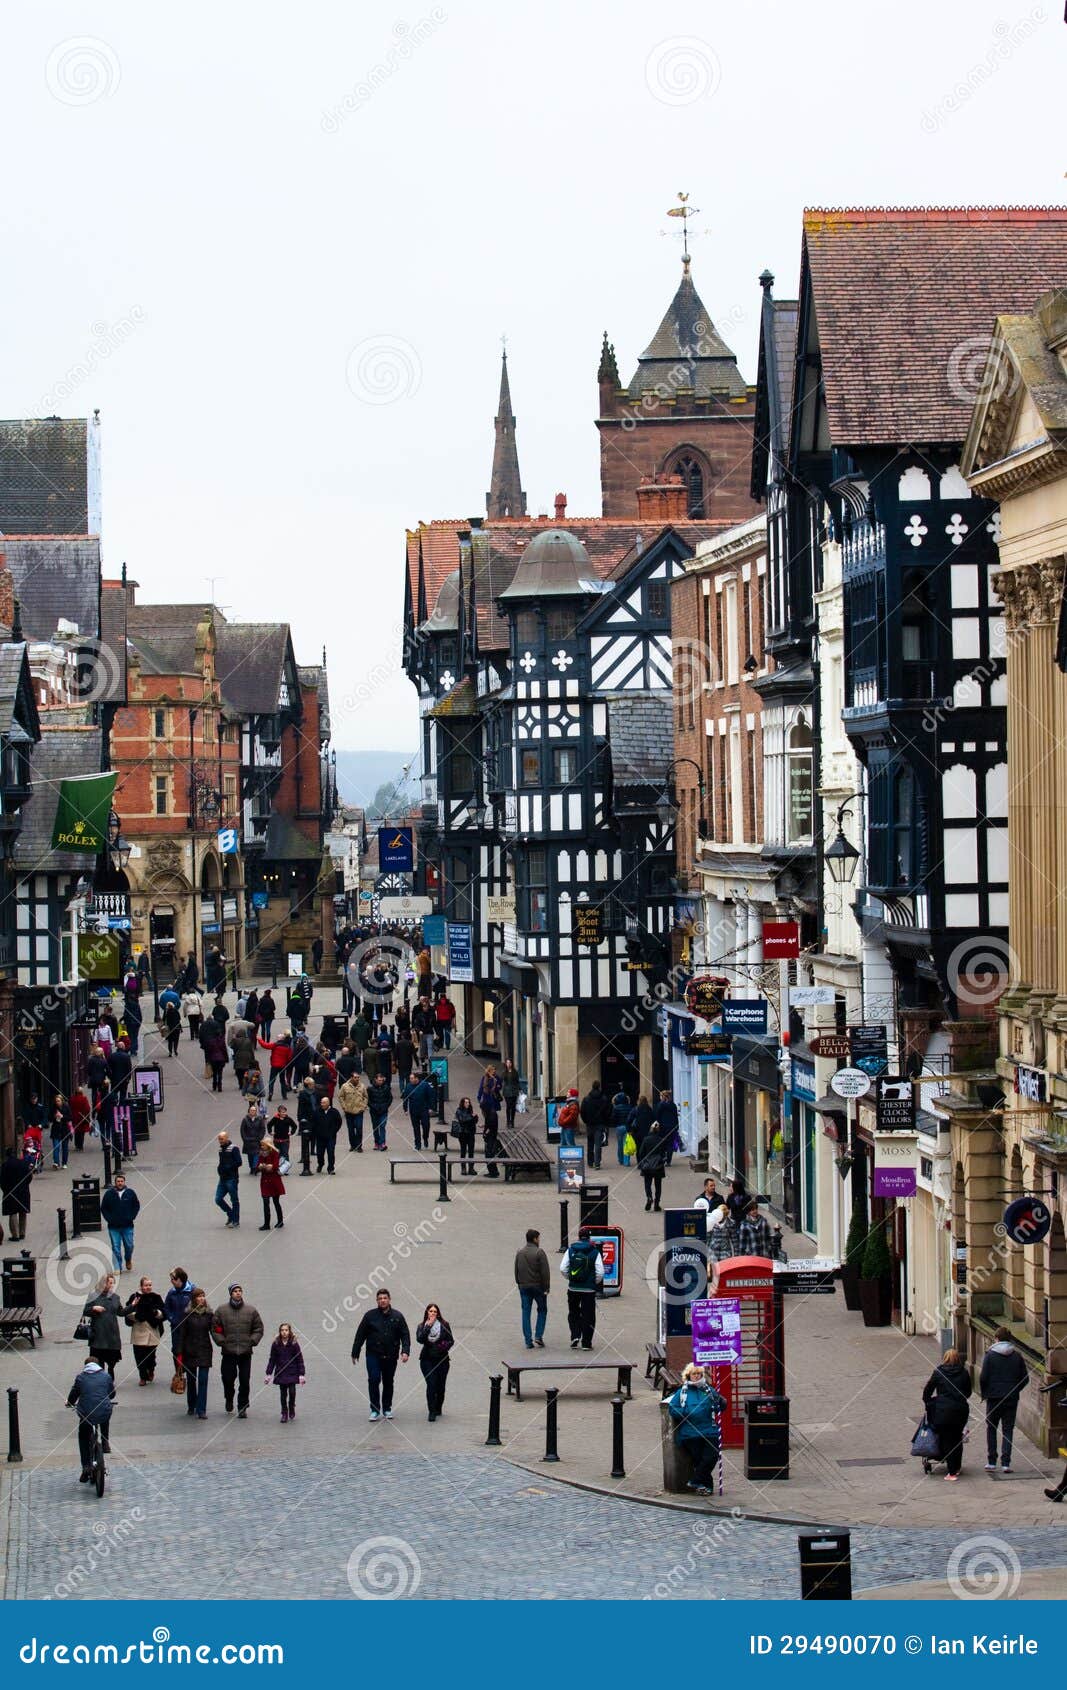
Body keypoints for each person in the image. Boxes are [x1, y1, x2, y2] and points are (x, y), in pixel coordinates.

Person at [666, 1363, 726, 1495]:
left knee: (711, 1457)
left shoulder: (708, 1390)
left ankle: (695, 1480)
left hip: (709, 1430)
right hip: (691, 1433)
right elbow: (673, 1409)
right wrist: (686, 1412)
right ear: (688, 1375)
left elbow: (718, 1407)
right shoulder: (682, 1392)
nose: (697, 1376)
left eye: (699, 1373)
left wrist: (722, 1403)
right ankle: (706, 1487)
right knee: (699, 1460)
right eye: (694, 1374)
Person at [351, 1288, 410, 1421]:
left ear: (389, 1299)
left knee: (388, 1382)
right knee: (374, 1379)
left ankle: (387, 1408)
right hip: (373, 1355)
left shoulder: (398, 1316)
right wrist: (355, 1352)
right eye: (380, 1299)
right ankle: (375, 1410)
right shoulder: (369, 1316)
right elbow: (360, 1335)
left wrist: (405, 1351)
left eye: (385, 1298)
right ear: (377, 1301)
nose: (382, 1300)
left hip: (391, 1355)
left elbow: (405, 1335)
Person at [980, 1327, 1029, 1473]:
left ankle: (992, 1461)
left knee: (991, 1428)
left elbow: (983, 1377)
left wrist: (986, 1393)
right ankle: (1006, 1463)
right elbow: (1025, 1378)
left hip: (994, 1398)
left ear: (996, 1338)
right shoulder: (1017, 1356)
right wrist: (1015, 1390)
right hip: (1011, 1398)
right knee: (1008, 1429)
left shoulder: (990, 1355)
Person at [212, 1284, 264, 1418]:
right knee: (228, 1379)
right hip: (228, 1352)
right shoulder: (221, 1311)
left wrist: (252, 1341)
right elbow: (215, 1328)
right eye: (235, 1291)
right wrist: (222, 1341)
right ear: (230, 1293)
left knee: (245, 1380)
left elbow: (258, 1328)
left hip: (245, 1352)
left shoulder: (251, 1310)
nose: (238, 1293)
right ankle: (229, 1398)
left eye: (240, 1291)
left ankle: (243, 1407)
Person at [922, 1347, 973, 1481]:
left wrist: (929, 1402)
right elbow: (968, 1391)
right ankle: (956, 1466)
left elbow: (928, 1389)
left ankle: (951, 1472)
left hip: (943, 1410)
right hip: (960, 1410)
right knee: (957, 1437)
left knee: (946, 1439)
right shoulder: (964, 1372)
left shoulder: (939, 1372)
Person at [67, 1355, 115, 1481]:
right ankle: (105, 1442)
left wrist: (70, 1403)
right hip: (103, 1411)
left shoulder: (81, 1378)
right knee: (105, 1414)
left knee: (83, 1436)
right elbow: (112, 1394)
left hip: (86, 1413)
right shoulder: (106, 1376)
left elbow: (73, 1395)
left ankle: (86, 1467)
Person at [559, 1235, 604, 1350]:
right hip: (589, 1290)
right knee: (588, 1315)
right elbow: (600, 1272)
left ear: (579, 1237)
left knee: (573, 1312)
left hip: (573, 1288)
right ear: (589, 1239)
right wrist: (593, 1283)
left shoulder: (571, 1250)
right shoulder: (595, 1252)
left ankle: (575, 1335)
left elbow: (563, 1268)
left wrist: (570, 1278)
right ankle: (586, 1342)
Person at [177, 1287, 214, 1418]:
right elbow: (182, 1334)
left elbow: (215, 1330)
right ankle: (191, 1405)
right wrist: (179, 1353)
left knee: (203, 1380)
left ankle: (201, 1409)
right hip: (189, 1351)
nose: (201, 1298)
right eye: (199, 1296)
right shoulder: (186, 1314)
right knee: (192, 1380)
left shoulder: (209, 1314)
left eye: (203, 1296)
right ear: (193, 1299)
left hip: (204, 1350)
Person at [123, 1275, 167, 1384]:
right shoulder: (134, 1297)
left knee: (151, 1355)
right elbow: (128, 1311)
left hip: (152, 1330)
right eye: (146, 1285)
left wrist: (157, 1313)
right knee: (139, 1355)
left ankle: (151, 1369)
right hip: (139, 1329)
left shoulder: (156, 1297)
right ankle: (142, 1377)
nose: (148, 1287)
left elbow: (163, 1312)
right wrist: (136, 1316)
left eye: (150, 1285)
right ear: (141, 1286)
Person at [415, 1303, 453, 1422]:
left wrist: (442, 1346)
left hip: (442, 1359)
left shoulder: (444, 1325)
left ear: (438, 1314)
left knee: (440, 1386)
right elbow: (420, 1339)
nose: (432, 1313)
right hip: (427, 1360)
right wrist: (428, 1326)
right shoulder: (421, 1326)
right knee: (431, 1384)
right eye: (430, 1311)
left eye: (435, 1311)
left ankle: (438, 1407)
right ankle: (431, 1411)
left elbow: (451, 1340)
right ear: (427, 1312)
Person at [515, 1227, 550, 1349]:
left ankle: (528, 1340)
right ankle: (538, 1336)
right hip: (538, 1287)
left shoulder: (520, 1252)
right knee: (542, 1310)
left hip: (524, 1287)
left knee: (526, 1312)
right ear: (535, 1239)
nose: (539, 1240)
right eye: (538, 1238)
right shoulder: (539, 1252)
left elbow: (516, 1270)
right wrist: (546, 1288)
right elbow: (545, 1272)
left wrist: (519, 1283)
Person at [83, 1272, 123, 1377]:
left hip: (112, 1332)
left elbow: (120, 1312)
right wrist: (93, 1308)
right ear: (103, 1283)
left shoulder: (115, 1297)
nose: (111, 1285)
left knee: (112, 1359)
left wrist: (133, 1306)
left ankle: (111, 1369)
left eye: (112, 1283)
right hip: (98, 1333)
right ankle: (101, 1378)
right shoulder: (93, 1296)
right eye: (109, 1283)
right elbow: (85, 1311)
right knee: (98, 1358)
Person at [265, 1322, 306, 1423]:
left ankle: (291, 1406)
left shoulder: (294, 1344)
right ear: (280, 1332)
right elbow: (272, 1359)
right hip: (281, 1372)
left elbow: (299, 1359)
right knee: (283, 1394)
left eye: (286, 1330)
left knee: (292, 1392)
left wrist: (301, 1374)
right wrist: (268, 1373)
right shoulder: (276, 1344)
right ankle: (284, 1412)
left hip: (292, 1372)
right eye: (282, 1330)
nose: (284, 1332)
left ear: (289, 1331)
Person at [101, 1172, 140, 1274]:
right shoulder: (109, 1194)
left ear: (124, 1182)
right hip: (114, 1227)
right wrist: (109, 1219)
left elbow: (136, 1205)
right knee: (115, 1247)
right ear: (115, 1183)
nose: (120, 1183)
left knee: (129, 1245)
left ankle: (128, 1259)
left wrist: (131, 1216)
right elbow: (104, 1208)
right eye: (118, 1181)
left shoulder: (130, 1193)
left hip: (127, 1226)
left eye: (121, 1181)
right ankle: (118, 1266)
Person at [637, 1117, 671, 1212]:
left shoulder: (646, 1139)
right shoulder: (661, 1139)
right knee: (658, 1185)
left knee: (647, 1184)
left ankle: (649, 1197)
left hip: (647, 1165)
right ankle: (657, 1203)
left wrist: (643, 1162)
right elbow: (664, 1152)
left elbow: (641, 1153)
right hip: (658, 1165)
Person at [165, 1267, 195, 1372]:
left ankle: (190, 1371)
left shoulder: (192, 1291)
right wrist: (172, 1318)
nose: (171, 1281)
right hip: (176, 1327)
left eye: (173, 1279)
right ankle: (179, 1373)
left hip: (190, 1328)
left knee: (188, 1350)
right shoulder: (171, 1293)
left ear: (179, 1279)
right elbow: (167, 1308)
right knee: (176, 1350)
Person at [0, 1142, 32, 1241]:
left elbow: (1, 1180)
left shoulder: (5, 1165)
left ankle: (15, 1235)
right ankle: (22, 1233)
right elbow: (29, 1177)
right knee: (23, 1212)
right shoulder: (24, 1164)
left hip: (10, 1192)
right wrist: (25, 1186)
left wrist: (5, 1190)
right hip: (23, 1191)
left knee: (13, 1212)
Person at [580, 1081, 612, 1171]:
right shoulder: (604, 1099)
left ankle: (590, 1162)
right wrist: (605, 1121)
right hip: (600, 1124)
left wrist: (586, 1121)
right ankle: (597, 1163)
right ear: (599, 1087)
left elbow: (582, 1112)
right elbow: (608, 1111)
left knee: (590, 1143)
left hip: (590, 1124)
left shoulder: (586, 1099)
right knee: (598, 1144)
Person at [215, 1130, 242, 1227]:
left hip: (232, 1178)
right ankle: (230, 1214)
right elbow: (221, 1162)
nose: (220, 1141)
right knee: (218, 1199)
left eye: (222, 1139)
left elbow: (239, 1162)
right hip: (222, 1179)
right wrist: (219, 1169)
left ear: (227, 1138)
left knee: (234, 1200)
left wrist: (229, 1167)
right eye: (219, 1139)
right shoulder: (220, 1150)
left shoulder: (234, 1148)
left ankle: (235, 1220)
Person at [405, 1070, 435, 1152]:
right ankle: (417, 1144)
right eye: (410, 1078)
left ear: (416, 1078)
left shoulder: (425, 1085)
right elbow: (405, 1098)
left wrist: (431, 1108)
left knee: (426, 1126)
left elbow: (431, 1096)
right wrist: (405, 1109)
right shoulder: (408, 1086)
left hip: (424, 1109)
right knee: (416, 1128)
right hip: (413, 1110)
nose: (410, 1080)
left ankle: (425, 1137)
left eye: (412, 1078)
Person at [258, 1139, 286, 1229]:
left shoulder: (275, 1153)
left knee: (276, 1201)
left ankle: (280, 1221)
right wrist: (262, 1166)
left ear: (268, 1145)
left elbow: (274, 1166)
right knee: (265, 1202)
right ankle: (266, 1224)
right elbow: (258, 1165)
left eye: (263, 1145)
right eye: (261, 1145)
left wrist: (264, 1166)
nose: (261, 1147)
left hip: (274, 1181)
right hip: (265, 1181)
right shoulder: (261, 1153)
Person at [312, 1092, 342, 1174]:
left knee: (331, 1152)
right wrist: (316, 1131)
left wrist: (334, 1131)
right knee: (320, 1153)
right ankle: (320, 1164)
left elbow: (339, 1122)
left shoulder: (334, 1112)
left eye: (324, 1102)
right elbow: (313, 1122)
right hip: (320, 1137)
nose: (322, 1104)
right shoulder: (317, 1111)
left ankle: (331, 1168)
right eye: (321, 1102)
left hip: (331, 1137)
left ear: (328, 1103)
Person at [337, 1072, 368, 1152]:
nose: (357, 1079)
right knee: (350, 1130)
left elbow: (366, 1097)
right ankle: (352, 1145)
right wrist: (344, 1106)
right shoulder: (345, 1086)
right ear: (351, 1078)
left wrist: (363, 1106)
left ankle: (359, 1146)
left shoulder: (362, 1086)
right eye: (355, 1077)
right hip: (349, 1111)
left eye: (358, 1077)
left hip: (359, 1111)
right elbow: (340, 1096)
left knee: (359, 1129)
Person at [259, 1031, 293, 1100]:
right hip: (282, 1066)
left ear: (279, 1039)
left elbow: (265, 1045)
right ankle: (284, 1095)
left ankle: (271, 1093)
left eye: (277, 1038)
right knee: (282, 1081)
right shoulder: (287, 1047)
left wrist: (259, 1039)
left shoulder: (275, 1045)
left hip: (274, 1065)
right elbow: (289, 1057)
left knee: (272, 1080)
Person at [652, 1089, 680, 1167]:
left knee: (662, 1143)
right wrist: (677, 1126)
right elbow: (675, 1116)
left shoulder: (660, 1105)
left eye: (660, 1096)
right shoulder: (673, 1105)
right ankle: (668, 1161)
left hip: (663, 1127)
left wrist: (656, 1125)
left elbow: (657, 1116)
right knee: (670, 1144)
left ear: (663, 1097)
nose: (660, 1097)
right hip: (672, 1127)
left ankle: (663, 1158)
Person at [451, 1095, 478, 1176]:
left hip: (470, 1133)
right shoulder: (459, 1111)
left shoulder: (470, 1110)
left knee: (471, 1151)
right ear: (462, 1103)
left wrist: (475, 1117)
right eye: (466, 1102)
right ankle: (463, 1168)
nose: (467, 1104)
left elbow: (473, 1121)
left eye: (468, 1102)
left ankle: (471, 1168)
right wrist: (472, 1117)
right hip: (463, 1133)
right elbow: (463, 1120)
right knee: (463, 1151)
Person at [367, 1070, 392, 1152]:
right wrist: (373, 1106)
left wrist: (386, 1106)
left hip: (383, 1110)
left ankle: (382, 1143)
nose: (380, 1082)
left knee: (382, 1126)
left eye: (382, 1080)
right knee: (375, 1127)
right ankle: (377, 1143)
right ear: (375, 1080)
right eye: (379, 1080)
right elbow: (367, 1100)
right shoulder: (370, 1089)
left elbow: (390, 1098)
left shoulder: (386, 1088)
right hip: (374, 1111)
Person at [239, 1102, 263, 1175]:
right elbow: (242, 1130)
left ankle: (255, 1167)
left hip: (256, 1140)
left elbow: (262, 1129)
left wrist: (260, 1137)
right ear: (249, 1111)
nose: (253, 1111)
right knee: (250, 1156)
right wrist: (245, 1139)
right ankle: (251, 1168)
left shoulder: (259, 1119)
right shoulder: (245, 1119)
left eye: (254, 1110)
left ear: (256, 1111)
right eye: (251, 1110)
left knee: (256, 1154)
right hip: (248, 1141)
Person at [203, 1021, 228, 1092]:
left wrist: (208, 1059)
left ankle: (214, 1085)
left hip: (213, 1059)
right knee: (220, 1072)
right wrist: (226, 1059)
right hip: (221, 1059)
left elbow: (209, 1051)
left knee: (214, 1072)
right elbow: (224, 1050)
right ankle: (220, 1086)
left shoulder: (211, 1041)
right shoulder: (222, 1041)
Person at [49, 1096, 73, 1169]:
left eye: (58, 1101)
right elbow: (49, 1118)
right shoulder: (53, 1108)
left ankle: (64, 1163)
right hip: (56, 1129)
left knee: (65, 1147)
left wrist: (62, 1116)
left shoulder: (66, 1107)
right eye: (56, 1101)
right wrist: (54, 1117)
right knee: (56, 1147)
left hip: (64, 1129)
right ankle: (56, 1162)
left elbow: (70, 1117)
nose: (57, 1102)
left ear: (62, 1101)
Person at [411, 995, 436, 1065]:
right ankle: (423, 1060)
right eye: (424, 1006)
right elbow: (416, 1024)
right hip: (422, 1033)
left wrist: (437, 1033)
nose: (425, 1007)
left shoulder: (432, 1014)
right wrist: (419, 1030)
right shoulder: (419, 1015)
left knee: (430, 1046)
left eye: (426, 1006)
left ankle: (431, 1060)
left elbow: (435, 1023)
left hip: (430, 1032)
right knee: (422, 1047)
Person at [610, 1086, 632, 1164]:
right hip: (627, 1127)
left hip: (619, 1127)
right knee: (627, 1144)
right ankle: (627, 1161)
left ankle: (621, 1160)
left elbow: (613, 1118)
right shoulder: (630, 1107)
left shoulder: (616, 1108)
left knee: (620, 1145)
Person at [499, 1059, 521, 1130]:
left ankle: (512, 1121)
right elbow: (500, 1081)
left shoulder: (515, 1072)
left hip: (514, 1091)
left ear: (512, 1064)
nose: (508, 1064)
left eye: (510, 1062)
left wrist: (520, 1090)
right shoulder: (504, 1072)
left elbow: (517, 1082)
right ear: (505, 1064)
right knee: (508, 1106)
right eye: (507, 1063)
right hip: (507, 1092)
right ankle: (508, 1121)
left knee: (513, 1107)